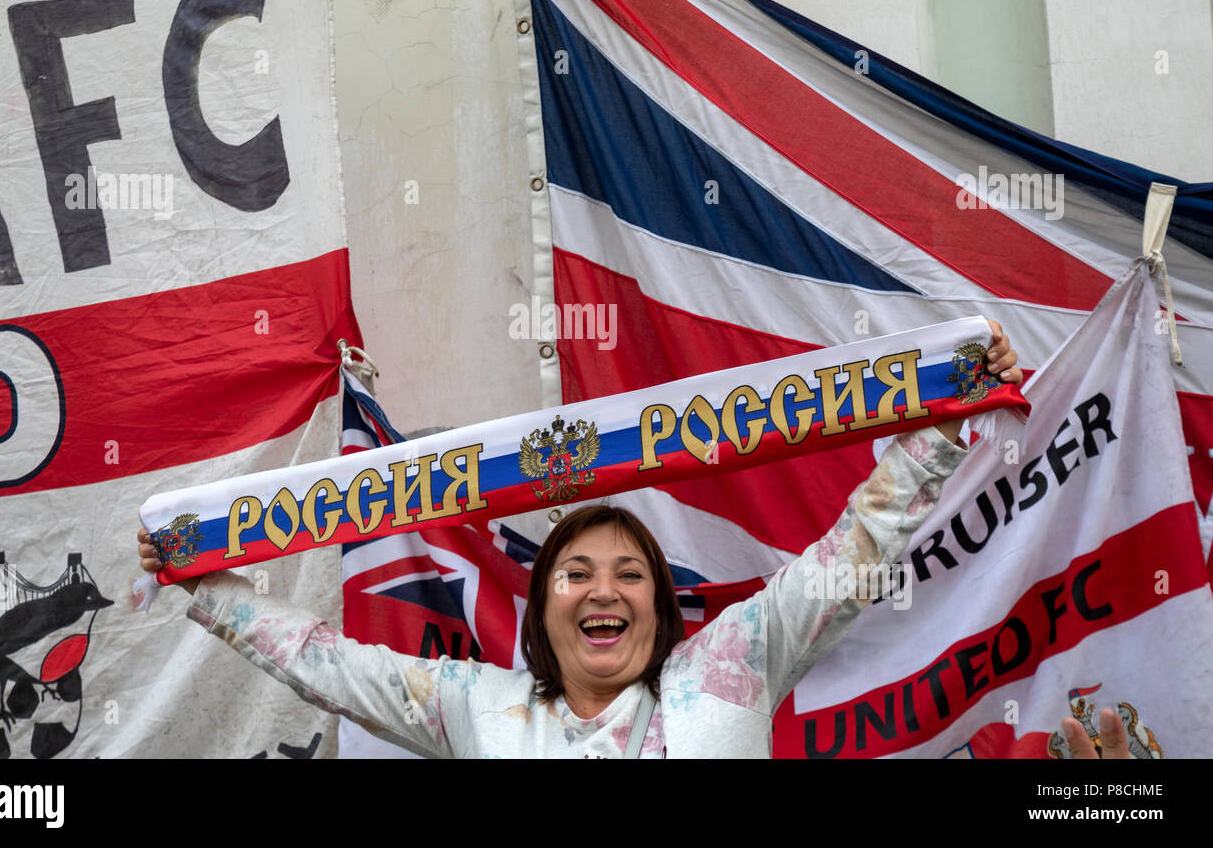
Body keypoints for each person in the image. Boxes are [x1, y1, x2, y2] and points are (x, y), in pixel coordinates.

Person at [139, 323, 1022, 757]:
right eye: (576, 574)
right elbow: (324, 661)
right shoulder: (479, 709)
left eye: (631, 572)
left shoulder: (735, 664)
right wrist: (204, 586)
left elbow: (853, 554)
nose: (605, 590)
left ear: (660, 606)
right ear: (541, 607)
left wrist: (949, 422)